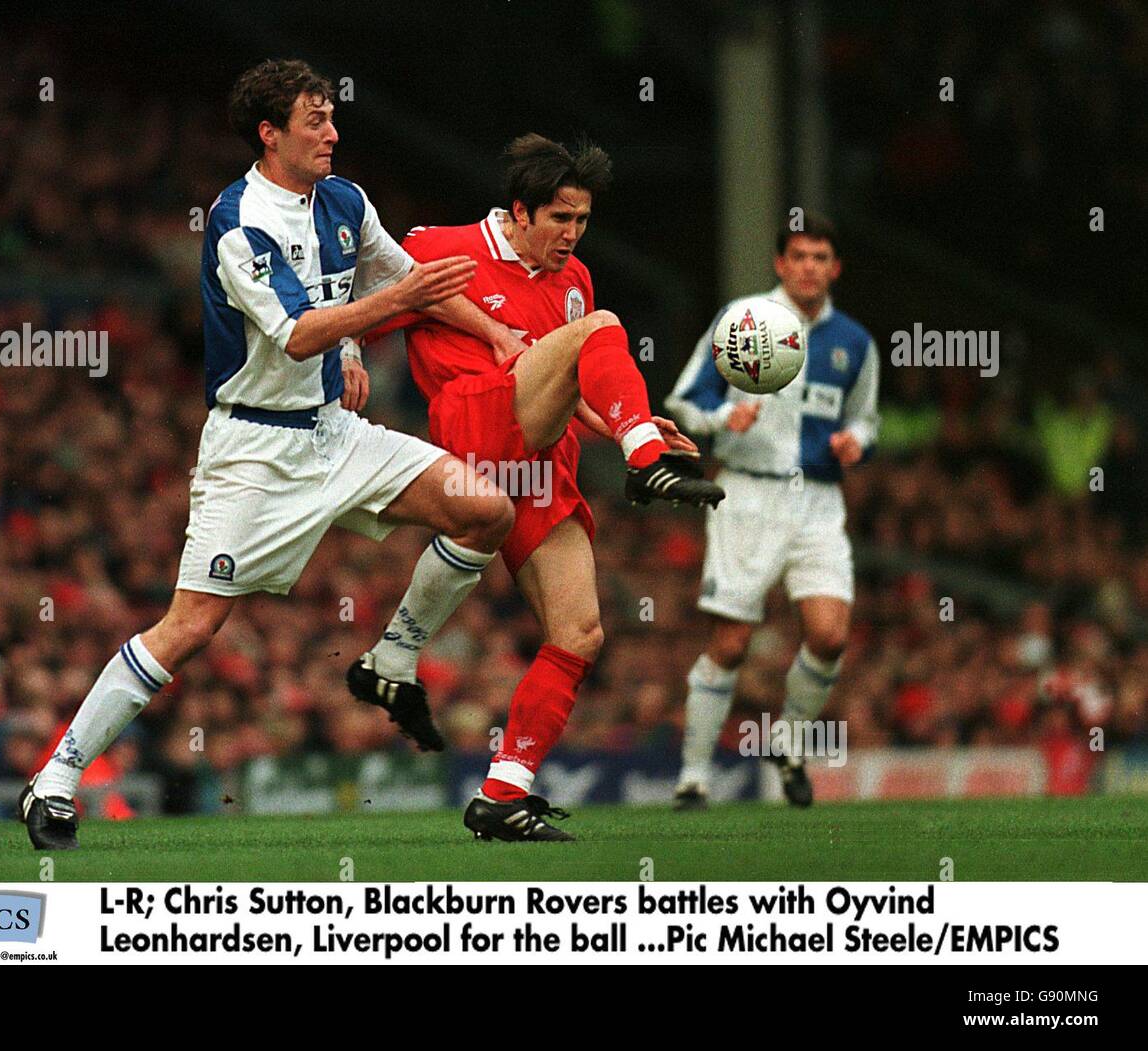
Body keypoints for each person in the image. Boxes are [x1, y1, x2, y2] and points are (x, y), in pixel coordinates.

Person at [19, 59, 517, 849]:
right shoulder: (237, 218)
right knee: (192, 626)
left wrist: (494, 333)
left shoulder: (345, 200)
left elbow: (406, 275)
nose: (332, 132)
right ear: (270, 133)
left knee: (486, 508)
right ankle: (57, 776)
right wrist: (376, 316)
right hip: (253, 448)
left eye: (331, 116)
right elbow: (296, 331)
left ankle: (391, 657)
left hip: (333, 430)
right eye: (315, 121)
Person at [350, 134, 723, 841]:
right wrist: (343, 356)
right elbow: (367, 304)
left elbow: (572, 380)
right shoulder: (440, 247)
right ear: (518, 212)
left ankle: (503, 793)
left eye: (582, 220)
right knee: (603, 330)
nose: (572, 235)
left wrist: (629, 427)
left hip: (539, 463)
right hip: (476, 422)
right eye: (559, 218)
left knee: (580, 632)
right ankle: (646, 463)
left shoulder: (575, 278)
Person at [666, 212, 879, 809]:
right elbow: (685, 400)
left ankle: (788, 743)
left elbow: (866, 415)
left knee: (830, 635)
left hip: (817, 498)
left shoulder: (855, 342)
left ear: (834, 268)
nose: (810, 267)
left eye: (821, 257)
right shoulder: (743, 320)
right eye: (799, 256)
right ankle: (693, 776)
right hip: (749, 492)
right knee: (732, 643)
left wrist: (856, 440)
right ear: (781, 264)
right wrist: (718, 419)